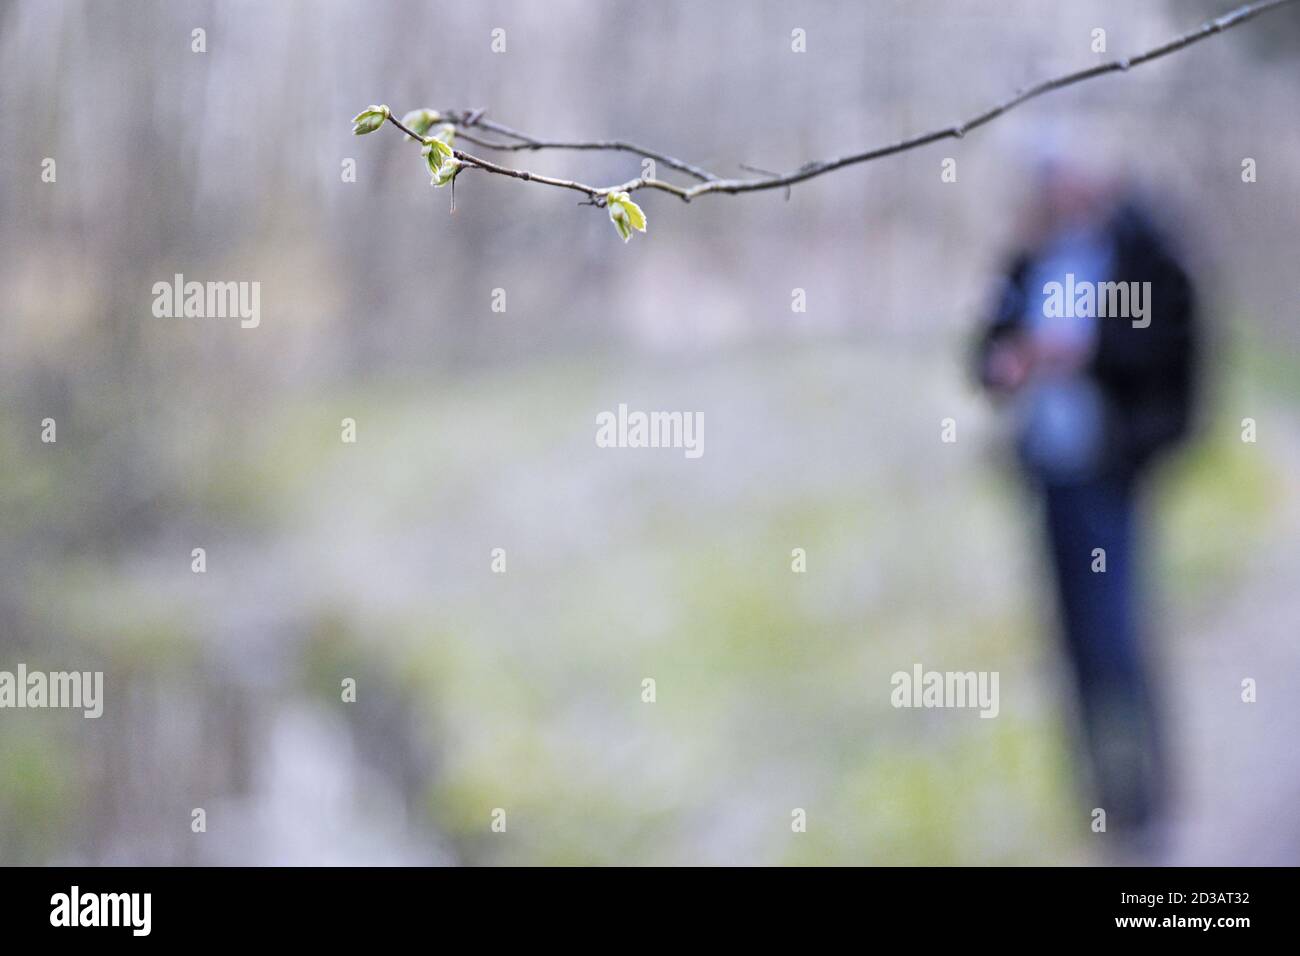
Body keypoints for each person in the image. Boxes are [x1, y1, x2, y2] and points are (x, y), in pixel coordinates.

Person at [974, 156, 1199, 839]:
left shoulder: (1142, 249)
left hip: (1110, 473)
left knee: (1116, 636)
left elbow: (1171, 345)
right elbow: (987, 346)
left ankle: (1145, 802)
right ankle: (1101, 801)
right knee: (1070, 640)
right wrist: (1007, 362)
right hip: (1049, 475)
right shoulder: (1029, 257)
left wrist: (1085, 353)